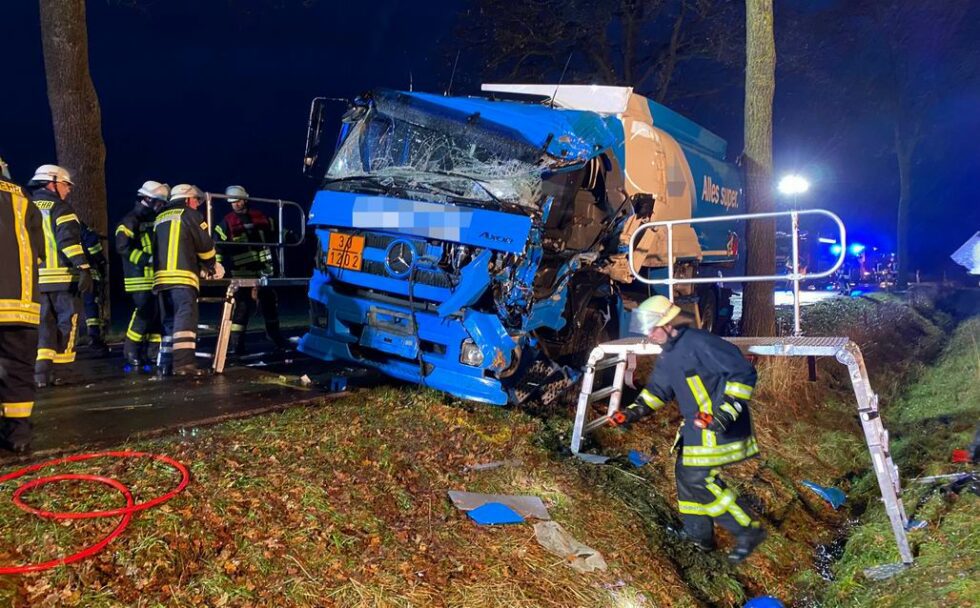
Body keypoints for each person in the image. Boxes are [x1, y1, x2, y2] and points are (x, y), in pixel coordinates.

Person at [610, 295, 767, 563]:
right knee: (685, 475)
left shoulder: (699, 342)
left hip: (718, 428)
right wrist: (631, 413)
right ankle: (698, 536)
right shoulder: (670, 354)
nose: (649, 335)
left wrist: (725, 413)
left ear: (669, 323)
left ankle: (747, 531)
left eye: (653, 328)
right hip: (697, 429)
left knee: (698, 479)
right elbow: (658, 391)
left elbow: (743, 373)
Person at [28, 165, 93, 388]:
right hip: (63, 278)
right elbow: (69, 242)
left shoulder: (25, 206)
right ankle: (62, 371)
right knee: (68, 323)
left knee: (44, 325)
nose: (68, 190)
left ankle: (41, 373)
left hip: (36, 280)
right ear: (52, 183)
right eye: (66, 185)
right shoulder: (61, 209)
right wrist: (84, 268)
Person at [0, 160, 44, 452]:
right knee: (17, 368)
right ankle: (19, 435)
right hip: (21, 302)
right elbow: (38, 253)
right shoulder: (23, 198)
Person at [152, 184, 217, 376]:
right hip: (183, 278)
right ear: (188, 199)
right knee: (185, 322)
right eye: (196, 201)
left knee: (169, 323)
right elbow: (205, 246)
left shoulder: (160, 217)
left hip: (161, 281)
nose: (197, 205)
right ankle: (184, 365)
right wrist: (212, 264)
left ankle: (165, 363)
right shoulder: (191, 215)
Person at [214, 185, 287, 355]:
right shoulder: (226, 223)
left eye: (238, 201)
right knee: (242, 310)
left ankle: (276, 337)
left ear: (245, 199)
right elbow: (218, 247)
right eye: (232, 202)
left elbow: (277, 232)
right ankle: (236, 345)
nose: (236, 205)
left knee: (270, 307)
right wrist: (217, 267)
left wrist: (290, 235)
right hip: (242, 274)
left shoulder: (260, 218)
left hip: (264, 273)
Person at [116, 181, 169, 372]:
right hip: (138, 278)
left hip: (155, 278)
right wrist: (147, 259)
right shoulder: (130, 220)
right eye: (158, 202)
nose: (161, 206)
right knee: (143, 314)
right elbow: (122, 246)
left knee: (157, 317)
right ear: (147, 199)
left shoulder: (155, 219)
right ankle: (131, 351)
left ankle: (153, 353)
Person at [79, 221, 109, 354]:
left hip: (60, 275)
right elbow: (92, 243)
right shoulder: (77, 223)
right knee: (91, 304)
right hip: (87, 271)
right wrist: (101, 260)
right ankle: (94, 338)